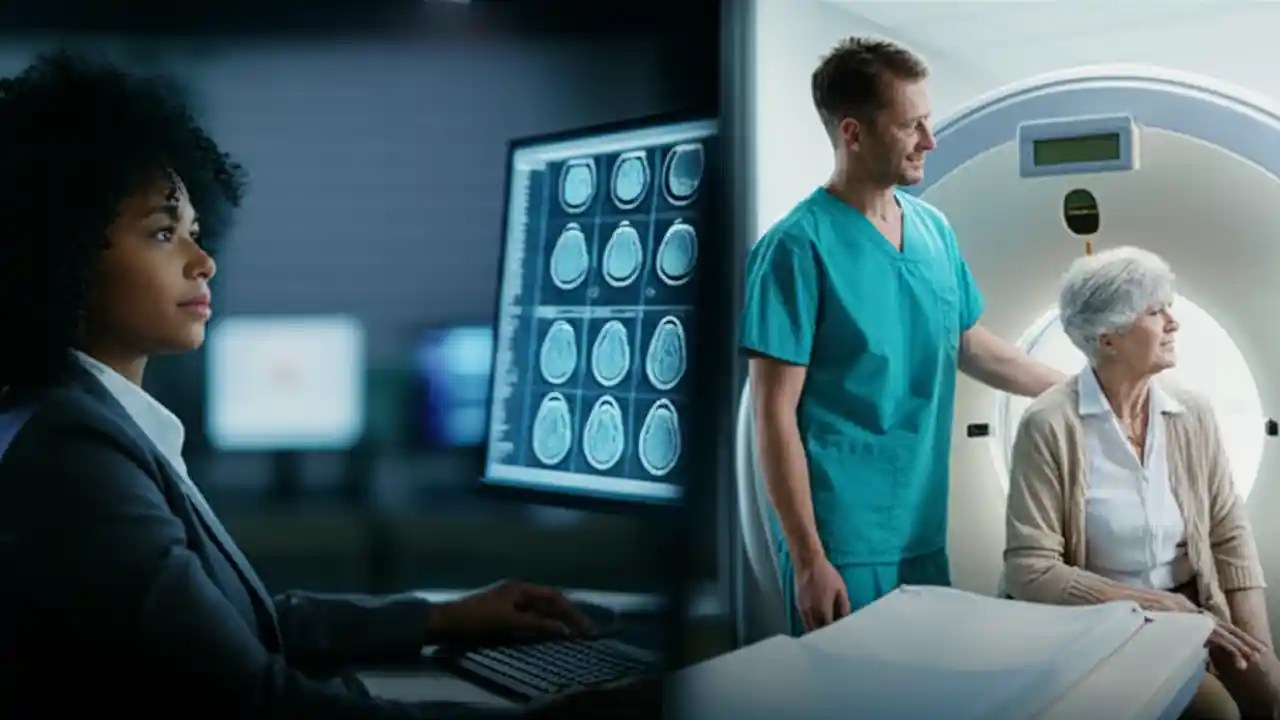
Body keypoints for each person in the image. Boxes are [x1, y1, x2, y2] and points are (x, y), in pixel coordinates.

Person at [0, 51, 652, 719]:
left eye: (195, 232)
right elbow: (261, 703)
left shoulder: (82, 424)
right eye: (163, 233)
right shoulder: (75, 453)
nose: (204, 261)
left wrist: (438, 617)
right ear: (60, 247)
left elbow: (228, 624)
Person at [740, 36, 1066, 637]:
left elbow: (969, 344)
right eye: (910, 125)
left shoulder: (933, 230)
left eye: (929, 120)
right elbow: (773, 414)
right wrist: (809, 560)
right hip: (840, 539)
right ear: (853, 133)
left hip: (921, 525)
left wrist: (1084, 394)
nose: (930, 141)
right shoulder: (794, 248)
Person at [1004, 246, 1280, 718]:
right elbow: (1031, 570)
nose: (1173, 323)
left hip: (1196, 611)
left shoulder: (1191, 411)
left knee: (1270, 694)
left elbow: (1228, 533)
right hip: (1102, 625)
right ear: (1108, 338)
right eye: (1155, 312)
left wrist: (1259, 649)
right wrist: (1157, 609)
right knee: (1219, 714)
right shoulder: (1050, 424)